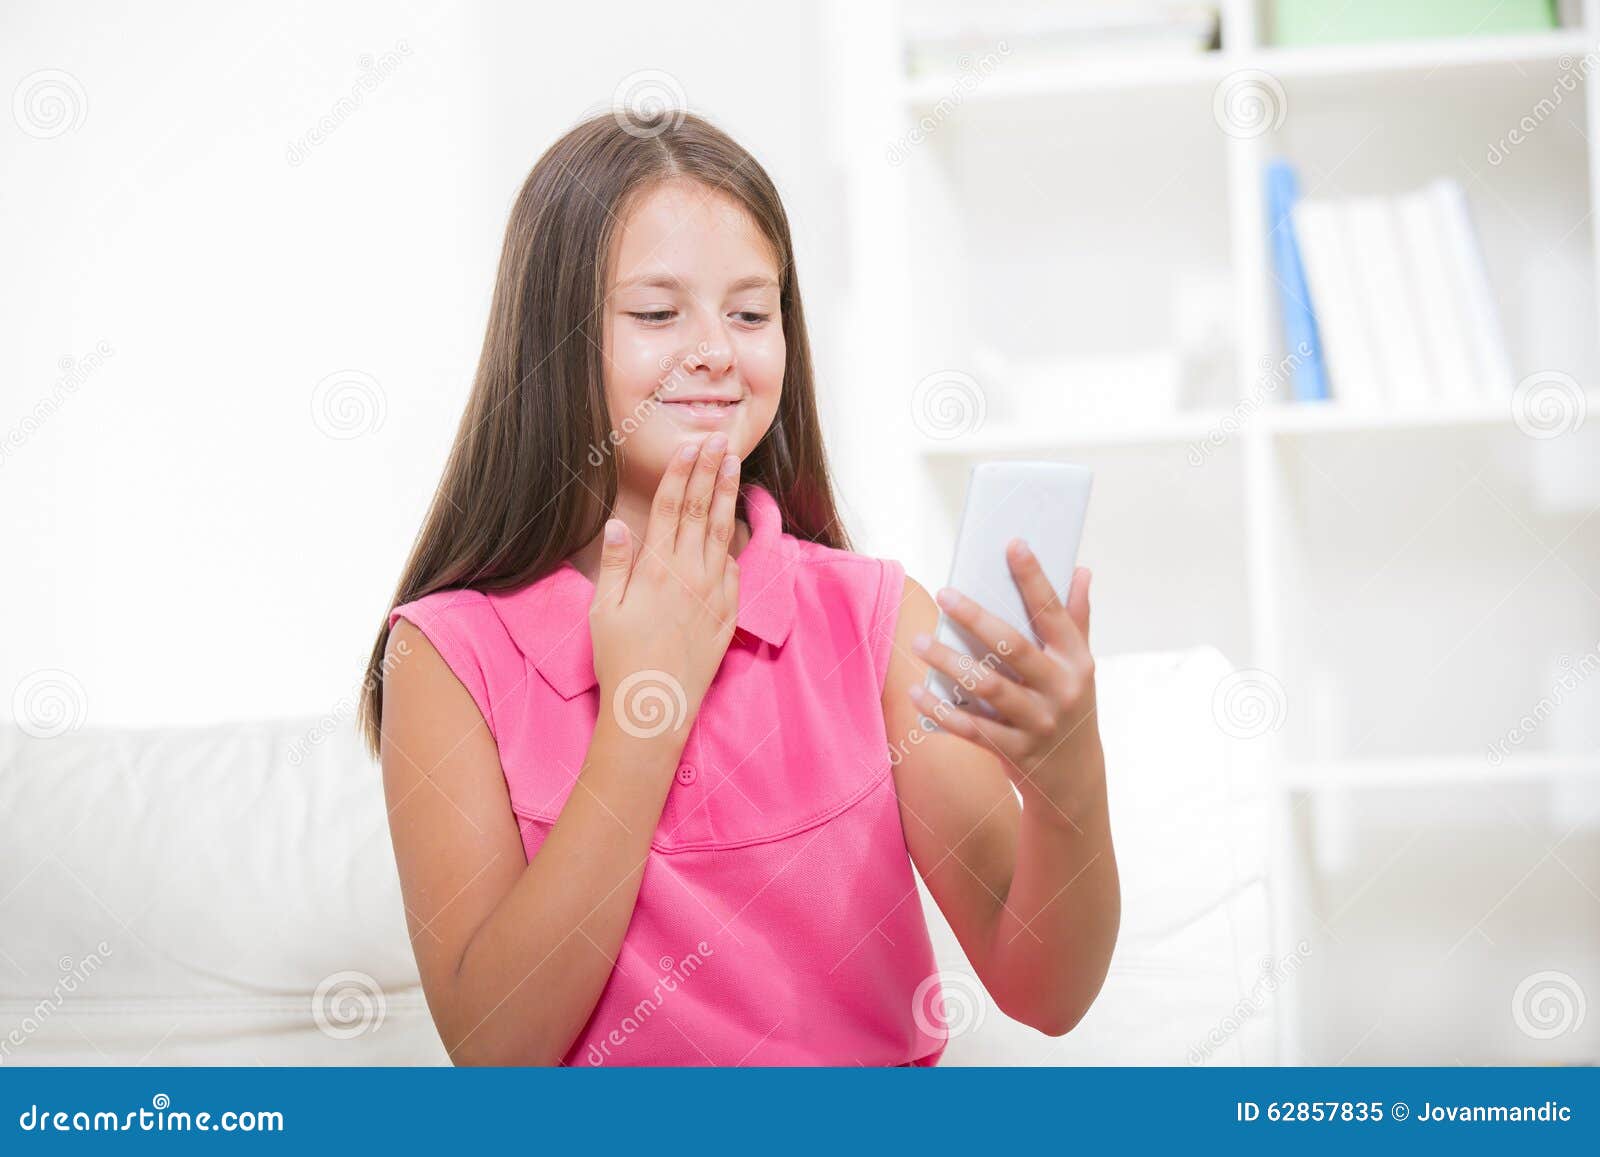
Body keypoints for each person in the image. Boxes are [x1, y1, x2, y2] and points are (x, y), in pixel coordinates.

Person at [356, 108, 1119, 1066]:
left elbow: (1046, 990)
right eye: (657, 313)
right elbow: (496, 1050)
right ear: (550, 340)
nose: (716, 349)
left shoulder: (875, 621)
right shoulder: (447, 652)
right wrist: (647, 706)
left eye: (752, 313)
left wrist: (1068, 780)